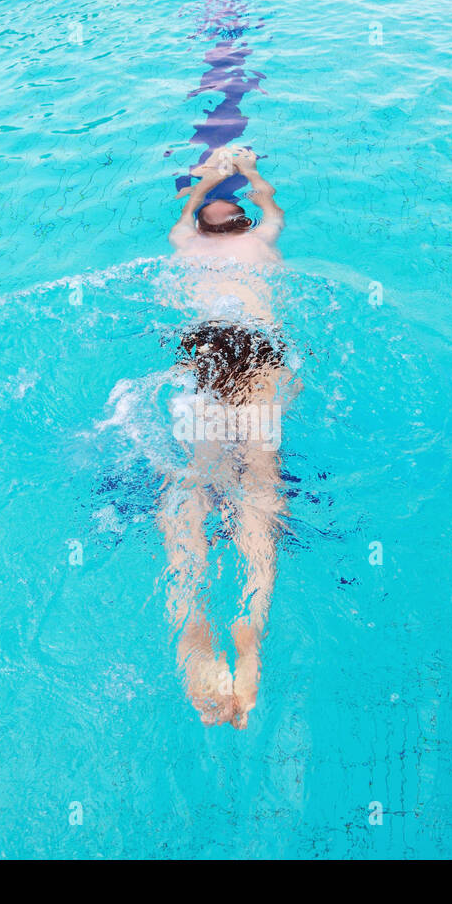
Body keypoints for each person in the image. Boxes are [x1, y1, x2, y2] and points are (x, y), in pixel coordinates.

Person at [158, 147, 296, 729]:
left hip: (210, 348)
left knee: (195, 474)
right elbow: (271, 206)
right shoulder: (261, 242)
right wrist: (248, 170)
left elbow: (187, 211)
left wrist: (212, 171)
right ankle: (250, 627)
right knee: (261, 475)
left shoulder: (188, 245)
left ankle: (192, 620)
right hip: (257, 347)